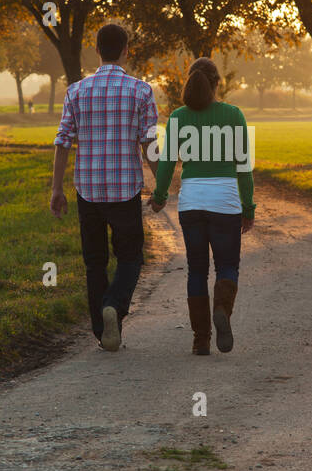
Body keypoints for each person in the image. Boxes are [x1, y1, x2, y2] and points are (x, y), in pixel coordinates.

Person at [50, 24, 158, 352]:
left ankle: (102, 331)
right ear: (126, 50)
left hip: (88, 190)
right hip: (125, 190)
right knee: (130, 257)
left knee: (94, 261)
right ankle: (115, 305)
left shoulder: (76, 91)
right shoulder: (141, 91)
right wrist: (163, 184)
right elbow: (149, 141)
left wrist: (57, 189)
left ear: (96, 50)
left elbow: (63, 141)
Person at [150, 58, 254, 355]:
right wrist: (249, 208)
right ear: (217, 83)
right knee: (227, 266)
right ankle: (221, 308)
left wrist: (159, 196)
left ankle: (201, 340)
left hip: (192, 202)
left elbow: (168, 161)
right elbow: (244, 169)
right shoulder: (233, 115)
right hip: (225, 202)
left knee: (196, 270)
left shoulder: (179, 117)